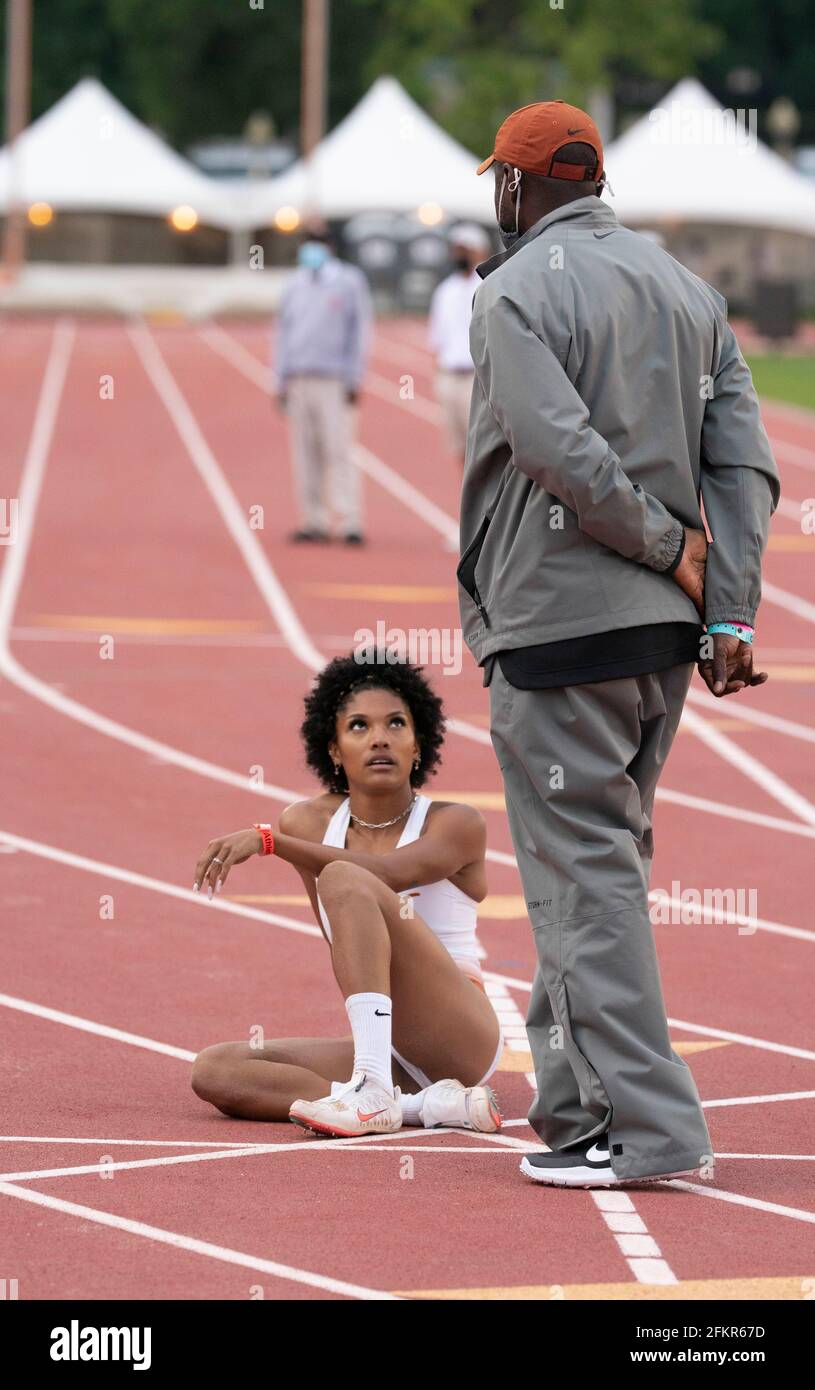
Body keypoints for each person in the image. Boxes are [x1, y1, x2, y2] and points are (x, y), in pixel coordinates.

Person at [457, 100, 780, 1187]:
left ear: (515, 186)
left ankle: (648, 1127)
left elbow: (556, 449)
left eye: (495, 182)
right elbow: (741, 467)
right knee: (590, 865)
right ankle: (574, 1109)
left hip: (560, 619)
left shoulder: (506, 294)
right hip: (660, 638)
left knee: (582, 871)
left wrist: (657, 546)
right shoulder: (689, 291)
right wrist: (722, 603)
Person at [191, 652, 504, 1139]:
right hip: (389, 1042)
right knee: (217, 1070)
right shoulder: (309, 824)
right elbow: (338, 936)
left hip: (459, 1034)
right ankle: (419, 1105)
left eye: (396, 723)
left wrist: (269, 841)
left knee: (343, 876)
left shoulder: (456, 823)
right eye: (358, 726)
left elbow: (384, 873)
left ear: (418, 743)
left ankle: (374, 1090)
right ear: (333, 750)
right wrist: (288, 839)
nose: (380, 737)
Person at [274, 222, 372, 545]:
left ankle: (348, 520)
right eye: (307, 243)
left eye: (316, 243)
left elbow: (360, 331)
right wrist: (280, 379)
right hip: (300, 377)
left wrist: (355, 376)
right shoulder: (294, 284)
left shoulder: (348, 282)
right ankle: (312, 519)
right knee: (304, 453)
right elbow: (282, 333)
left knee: (338, 450)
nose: (311, 250)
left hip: (334, 379)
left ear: (329, 246)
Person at [428, 224, 492, 466]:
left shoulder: (488, 286)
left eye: (465, 250)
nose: (459, 256)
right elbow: (437, 339)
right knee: (458, 447)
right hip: (449, 377)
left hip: (477, 379)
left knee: (481, 448)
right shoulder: (444, 290)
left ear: (479, 251)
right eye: (456, 250)